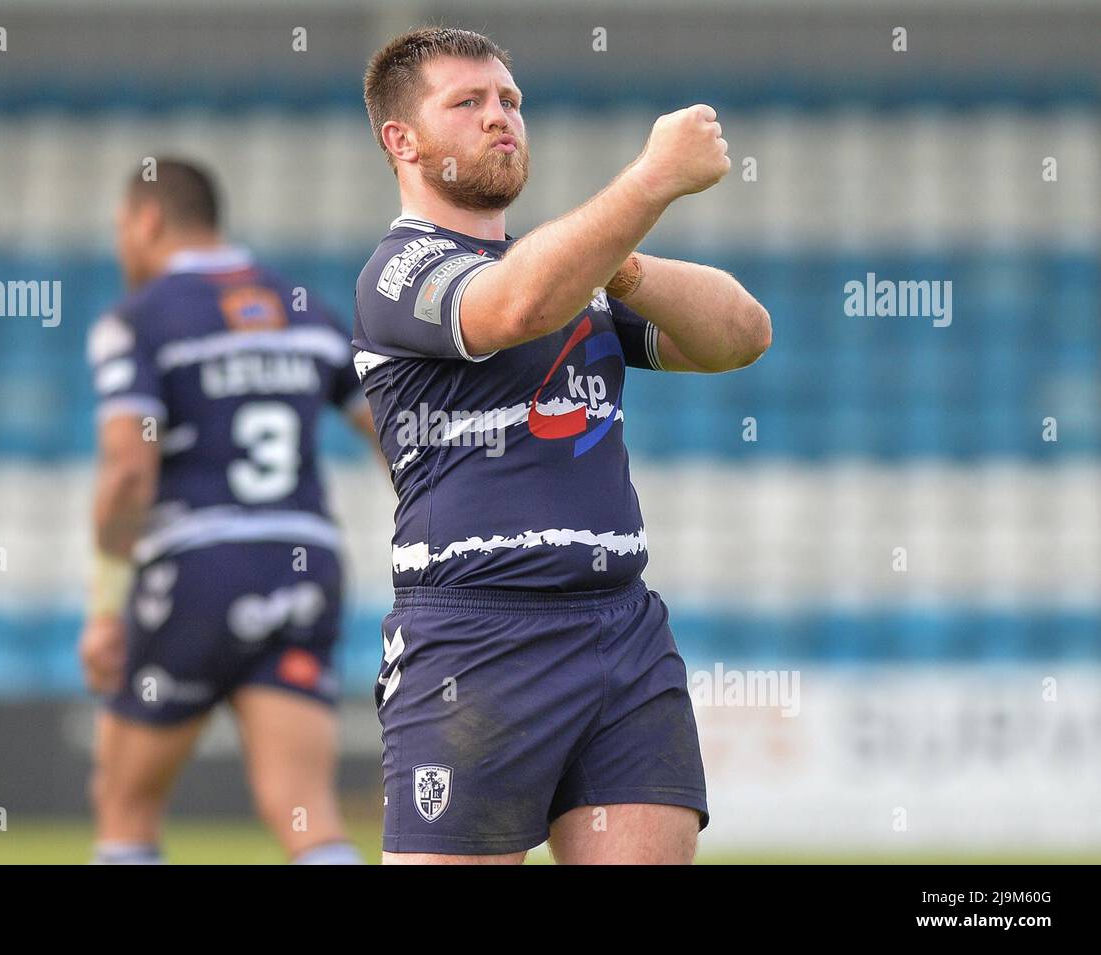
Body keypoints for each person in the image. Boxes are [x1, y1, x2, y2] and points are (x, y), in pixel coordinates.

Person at [354, 27, 771, 864]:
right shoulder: (399, 272)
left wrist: (619, 262)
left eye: (509, 100)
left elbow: (741, 334)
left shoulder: (571, 274)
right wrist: (650, 181)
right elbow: (511, 306)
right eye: (466, 103)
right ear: (402, 139)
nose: (499, 117)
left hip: (622, 630)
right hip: (475, 640)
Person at [81, 158, 374, 864]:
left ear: (147, 221)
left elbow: (127, 472)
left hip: (197, 567)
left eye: (123, 227)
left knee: (125, 803)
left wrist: (104, 606)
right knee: (303, 806)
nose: (122, 244)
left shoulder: (139, 320)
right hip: (304, 562)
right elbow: (396, 433)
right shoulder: (302, 304)